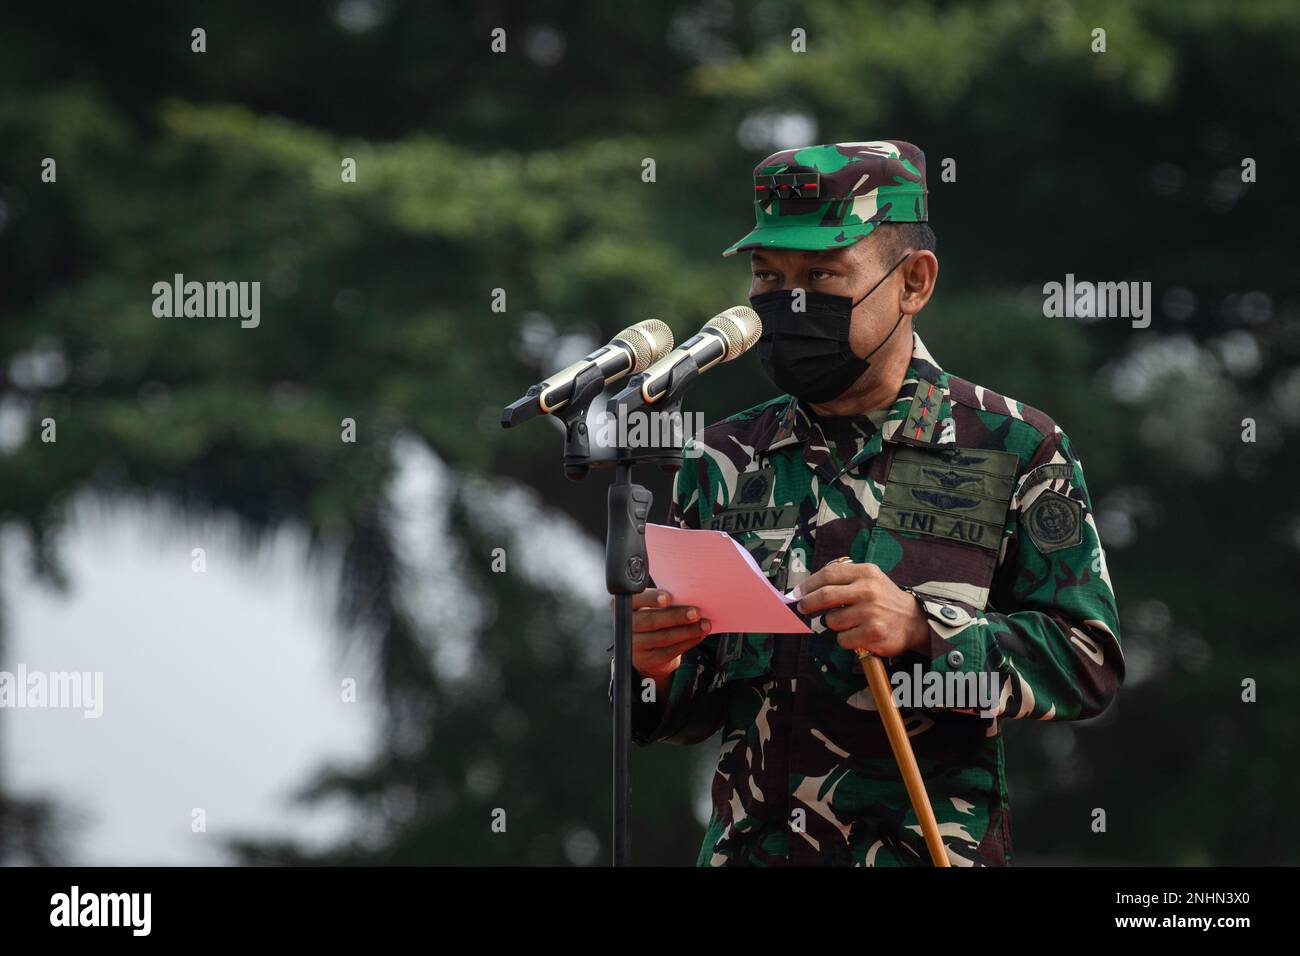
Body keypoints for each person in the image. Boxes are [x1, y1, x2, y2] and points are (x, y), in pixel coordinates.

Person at [628, 140, 1124, 866]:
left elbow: (1088, 667)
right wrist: (654, 667)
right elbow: (691, 710)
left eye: (823, 273)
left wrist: (927, 631)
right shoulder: (722, 459)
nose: (788, 300)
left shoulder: (1012, 445)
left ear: (914, 282)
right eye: (769, 276)